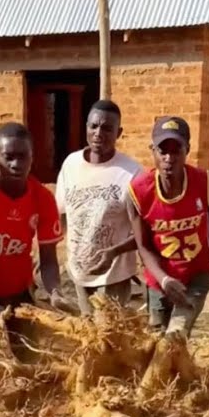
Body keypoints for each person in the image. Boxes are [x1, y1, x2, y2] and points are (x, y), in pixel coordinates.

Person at [0, 123, 70, 350]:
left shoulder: (43, 199)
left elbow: (48, 260)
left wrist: (55, 291)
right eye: (8, 157)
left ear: (32, 157)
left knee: (28, 356)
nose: (16, 164)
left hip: (20, 292)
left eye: (23, 156)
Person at [128, 116, 209, 338]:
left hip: (197, 272)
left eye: (176, 150)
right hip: (159, 276)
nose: (168, 158)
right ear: (152, 150)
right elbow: (143, 246)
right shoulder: (138, 192)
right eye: (162, 150)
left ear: (187, 150)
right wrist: (163, 279)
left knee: (176, 334)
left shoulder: (206, 182)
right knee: (155, 337)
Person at [55, 100, 143, 314]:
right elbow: (62, 214)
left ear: (119, 132)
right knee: (89, 336)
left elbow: (145, 231)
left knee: (107, 338)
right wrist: (47, 255)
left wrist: (115, 252)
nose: (98, 133)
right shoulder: (71, 164)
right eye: (93, 126)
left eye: (107, 128)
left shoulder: (133, 173)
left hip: (114, 274)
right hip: (79, 273)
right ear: (86, 127)